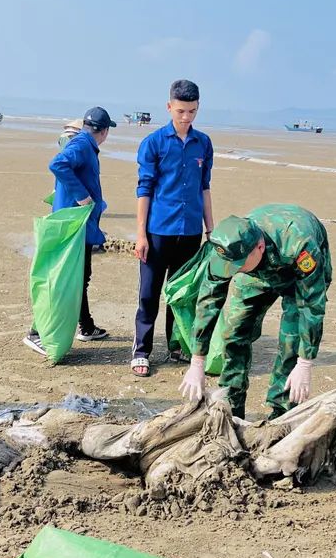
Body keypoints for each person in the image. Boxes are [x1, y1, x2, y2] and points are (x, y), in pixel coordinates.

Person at [178, 205, 333, 419]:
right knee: (233, 333)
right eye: (230, 265)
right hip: (256, 273)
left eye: (238, 265)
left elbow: (312, 306)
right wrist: (197, 362)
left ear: (259, 246)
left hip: (297, 274)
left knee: (291, 341)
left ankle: (281, 414)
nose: (234, 270)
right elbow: (208, 302)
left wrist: (305, 362)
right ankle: (231, 408)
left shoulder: (300, 245)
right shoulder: (229, 249)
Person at [131, 79, 214, 377]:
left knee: (181, 293)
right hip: (158, 232)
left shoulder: (203, 143)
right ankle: (142, 350)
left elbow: (204, 189)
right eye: (181, 111)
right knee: (149, 293)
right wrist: (141, 234)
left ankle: (177, 345)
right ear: (169, 107)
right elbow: (145, 190)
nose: (186, 117)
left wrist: (210, 230)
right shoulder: (153, 143)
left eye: (192, 111)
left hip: (190, 232)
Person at [23, 107, 115, 355]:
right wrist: (83, 197)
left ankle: (86, 327)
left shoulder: (84, 144)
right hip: (72, 225)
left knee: (78, 278)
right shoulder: (83, 145)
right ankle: (37, 333)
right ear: (104, 131)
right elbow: (58, 164)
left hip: (79, 225)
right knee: (64, 279)